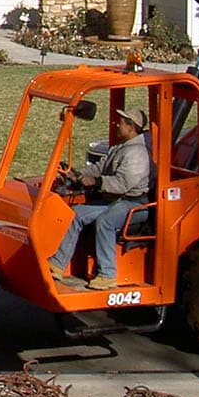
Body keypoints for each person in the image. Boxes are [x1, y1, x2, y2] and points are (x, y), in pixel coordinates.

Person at [47, 106, 151, 290]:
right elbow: (99, 168)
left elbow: (122, 184)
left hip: (133, 204)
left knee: (106, 221)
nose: (117, 124)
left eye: (121, 122)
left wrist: (95, 181)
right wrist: (77, 175)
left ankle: (107, 275)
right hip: (115, 200)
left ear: (131, 127)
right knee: (76, 214)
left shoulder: (137, 153)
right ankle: (57, 264)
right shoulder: (120, 147)